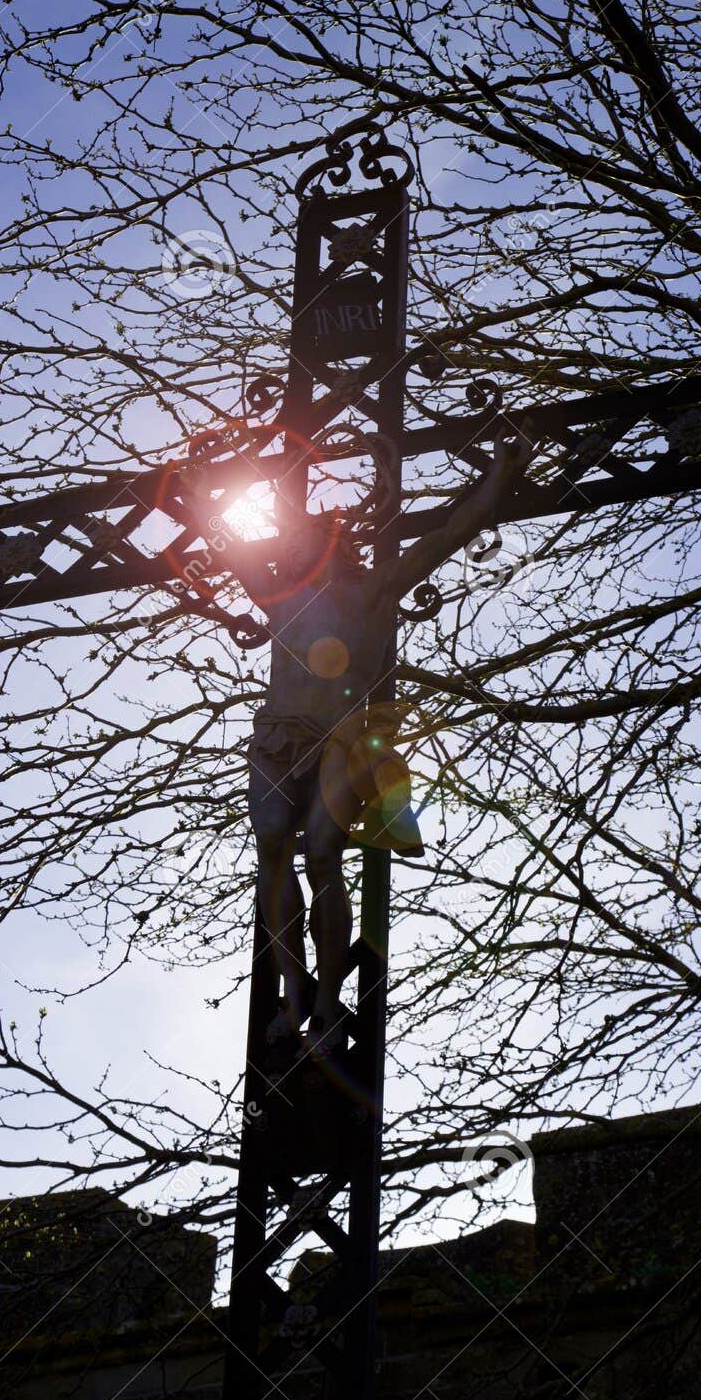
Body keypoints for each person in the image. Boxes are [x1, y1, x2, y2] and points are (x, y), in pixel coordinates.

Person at [179, 437, 520, 1051]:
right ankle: (294, 991)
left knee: (322, 857)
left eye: (297, 541)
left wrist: (500, 476)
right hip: (276, 742)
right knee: (272, 849)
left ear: (329, 544)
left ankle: (328, 1002)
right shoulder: (280, 594)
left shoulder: (371, 593)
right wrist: (202, 498)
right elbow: (227, 544)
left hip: (338, 744)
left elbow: (449, 533)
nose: (284, 549)